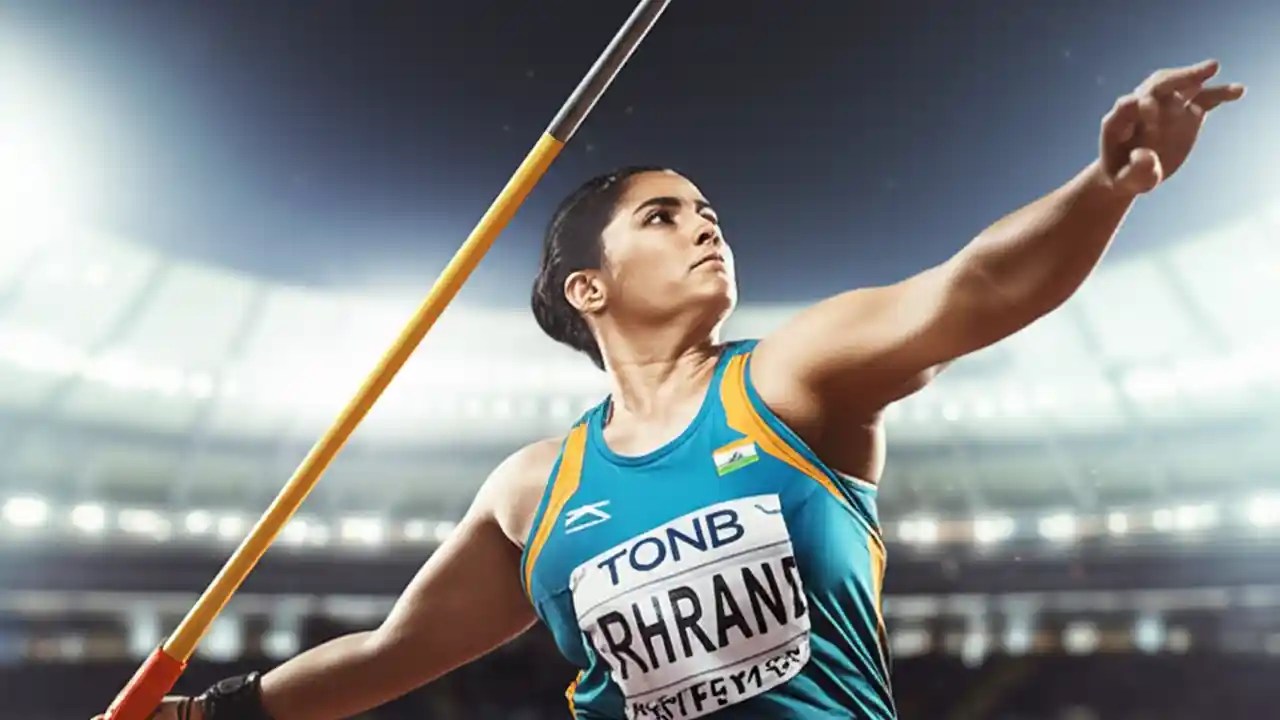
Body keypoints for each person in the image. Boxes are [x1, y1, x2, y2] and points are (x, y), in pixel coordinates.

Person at [100, 59, 1243, 720]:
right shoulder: (532, 488)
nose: (704, 227)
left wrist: (1105, 187)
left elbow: (974, 288)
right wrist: (204, 717)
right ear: (586, 289)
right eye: (664, 215)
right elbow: (385, 657)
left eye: (708, 213)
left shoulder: (793, 377)